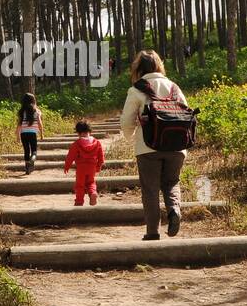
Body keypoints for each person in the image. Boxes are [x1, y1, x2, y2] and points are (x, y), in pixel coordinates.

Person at [120, 49, 189, 240]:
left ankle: (152, 232)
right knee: (172, 182)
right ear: (159, 65)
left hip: (148, 147)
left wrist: (132, 137)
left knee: (150, 189)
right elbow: (186, 113)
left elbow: (126, 121)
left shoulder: (136, 89)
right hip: (176, 147)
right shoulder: (173, 87)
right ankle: (174, 210)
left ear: (138, 69)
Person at [63, 120, 105, 206]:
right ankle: (93, 193)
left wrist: (67, 166)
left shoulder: (77, 144)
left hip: (81, 167)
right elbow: (101, 156)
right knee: (91, 182)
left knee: (80, 185)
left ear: (78, 132)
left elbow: (70, 156)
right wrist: (99, 165)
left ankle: (79, 201)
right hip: (92, 167)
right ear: (89, 130)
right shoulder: (97, 142)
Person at [15, 92, 44, 173]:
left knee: (26, 151)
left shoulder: (21, 112)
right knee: (34, 151)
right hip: (33, 133)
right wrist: (42, 133)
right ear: (33, 100)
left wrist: (18, 136)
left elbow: (19, 125)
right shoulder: (37, 111)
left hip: (23, 134)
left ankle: (27, 168)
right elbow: (40, 123)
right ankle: (33, 158)